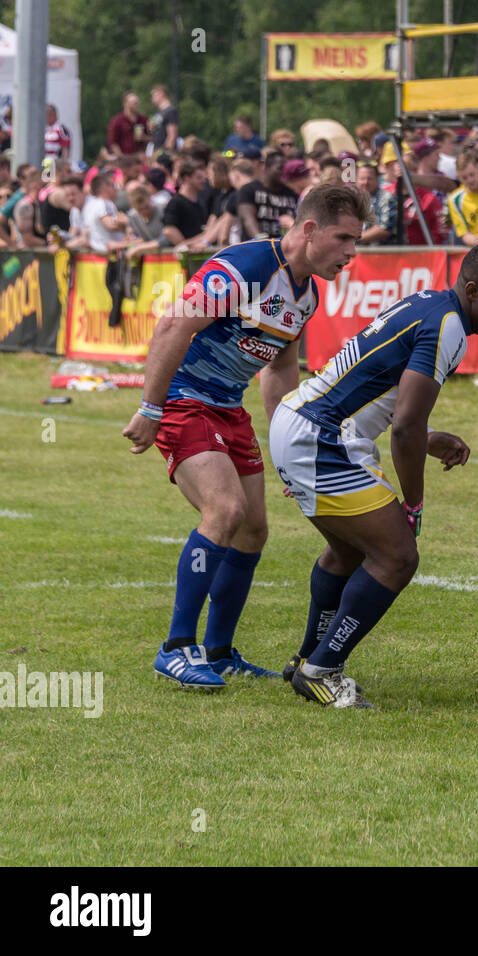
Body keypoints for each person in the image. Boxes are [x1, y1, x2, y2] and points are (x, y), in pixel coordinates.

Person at [121, 185, 367, 690]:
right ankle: (175, 648)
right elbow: (173, 327)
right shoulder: (246, 267)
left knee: (254, 528)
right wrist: (151, 407)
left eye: (357, 240)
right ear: (310, 229)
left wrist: (288, 446)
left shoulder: (308, 293)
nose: (352, 252)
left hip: (229, 409)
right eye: (344, 238)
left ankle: (218, 652)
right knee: (225, 510)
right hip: (185, 399)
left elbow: (279, 370)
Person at [273, 243, 478, 708]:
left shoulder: (431, 305)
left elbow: (383, 394)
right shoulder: (448, 325)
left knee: (349, 550)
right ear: (473, 290)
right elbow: (405, 426)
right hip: (321, 436)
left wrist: (427, 438)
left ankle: (309, 655)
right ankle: (321, 669)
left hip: (303, 423)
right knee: (397, 557)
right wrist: (413, 503)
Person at [236, 152, 298, 239]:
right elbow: (248, 220)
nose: (284, 172)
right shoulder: (249, 190)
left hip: (283, 248)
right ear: (267, 168)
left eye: (286, 169)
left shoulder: (292, 193)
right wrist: (262, 241)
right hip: (258, 246)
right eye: (280, 168)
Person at [162, 159, 210, 251]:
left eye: (204, 178)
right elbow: (168, 230)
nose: (204, 181)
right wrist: (186, 247)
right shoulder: (176, 202)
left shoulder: (201, 201)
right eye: (199, 178)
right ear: (187, 178)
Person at [107, 92, 152, 158]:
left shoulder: (143, 119)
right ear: (125, 104)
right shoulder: (117, 120)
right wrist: (122, 157)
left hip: (140, 158)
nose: (137, 105)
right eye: (134, 103)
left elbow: (153, 138)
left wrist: (144, 137)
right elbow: (112, 142)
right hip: (124, 158)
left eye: (137, 102)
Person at [150, 86, 180, 155]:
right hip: (157, 150)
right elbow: (153, 131)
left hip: (164, 152)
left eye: (153, 95)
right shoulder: (157, 112)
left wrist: (165, 153)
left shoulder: (171, 110)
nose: (152, 98)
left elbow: (172, 135)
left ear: (161, 94)